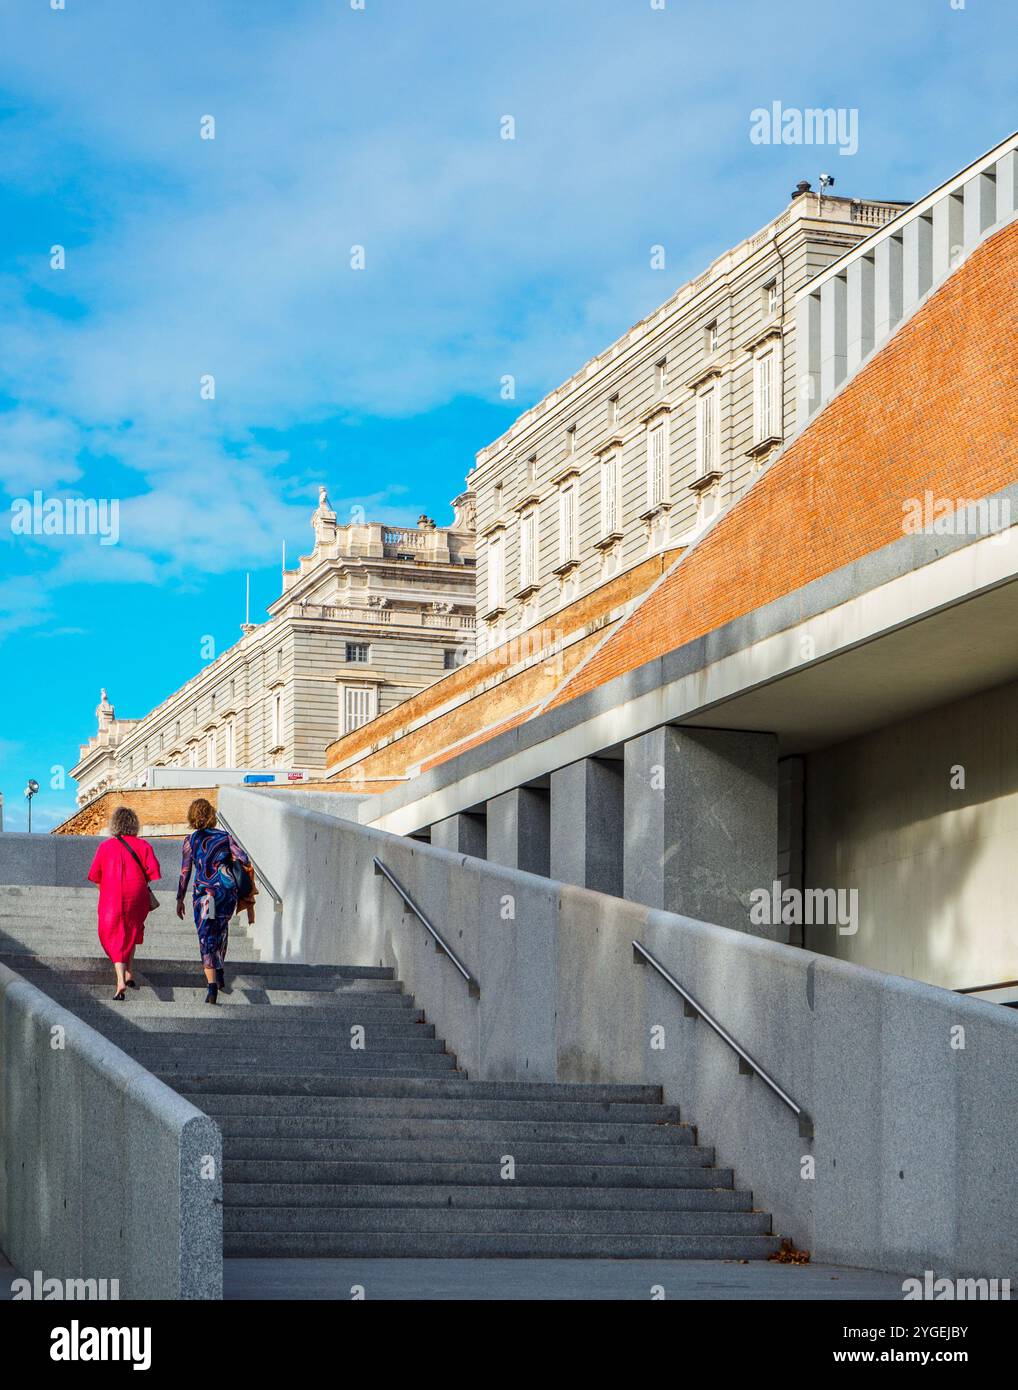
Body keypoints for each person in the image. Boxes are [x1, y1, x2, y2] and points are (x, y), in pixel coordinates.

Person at [176, 798, 252, 1005]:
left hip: (205, 895)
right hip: (226, 892)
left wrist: (179, 899)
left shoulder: (190, 841)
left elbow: (185, 872)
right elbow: (244, 858)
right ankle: (219, 970)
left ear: (192, 817)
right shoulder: (225, 837)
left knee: (206, 934)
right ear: (211, 815)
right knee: (221, 928)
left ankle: (211, 987)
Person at [87, 806, 161, 1001]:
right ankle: (129, 971)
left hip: (112, 895)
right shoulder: (144, 845)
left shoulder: (105, 847)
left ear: (115, 824)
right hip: (137, 893)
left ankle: (120, 979)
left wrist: (107, 889)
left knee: (112, 933)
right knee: (131, 929)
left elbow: (95, 876)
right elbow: (152, 872)